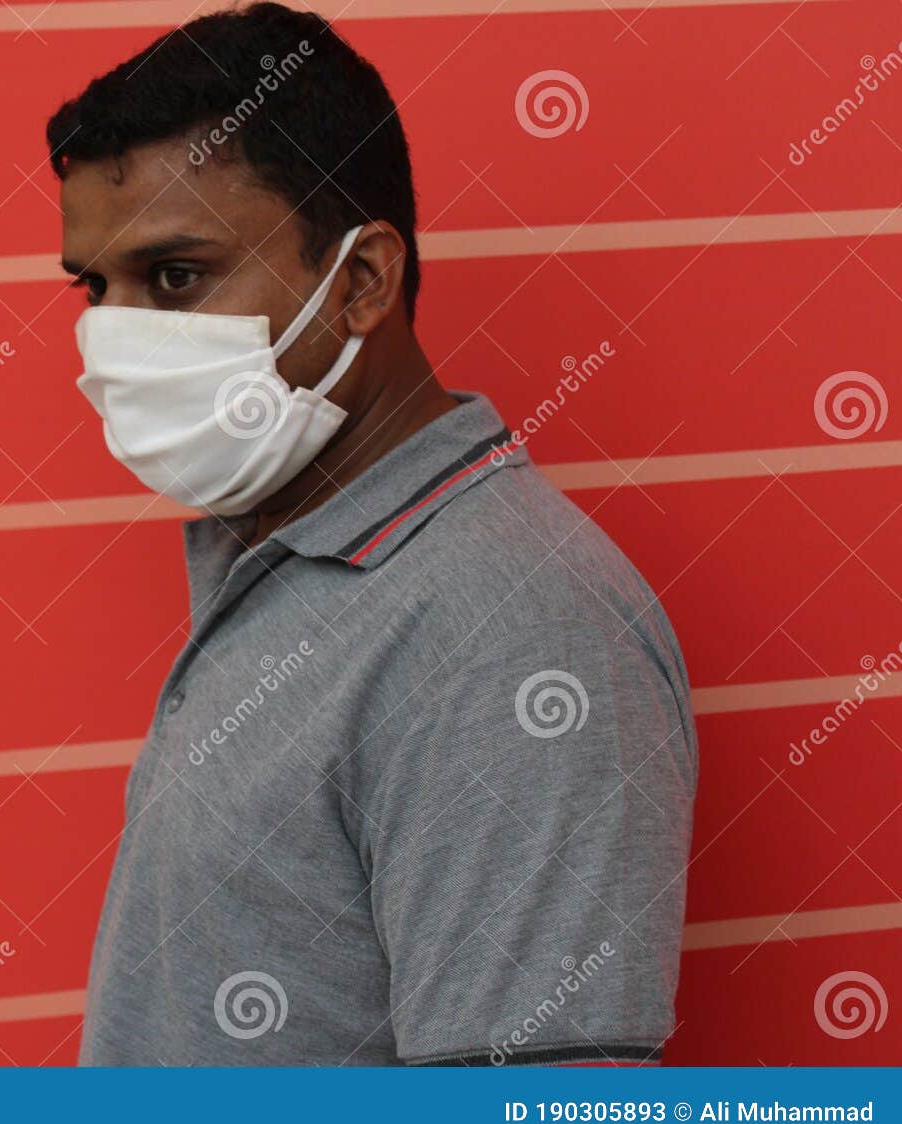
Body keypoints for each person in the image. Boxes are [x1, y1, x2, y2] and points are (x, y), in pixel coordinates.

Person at [45, 2, 698, 1065]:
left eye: (175, 276)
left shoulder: (512, 630)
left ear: (359, 282)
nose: (115, 338)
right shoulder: (284, 544)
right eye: (95, 287)